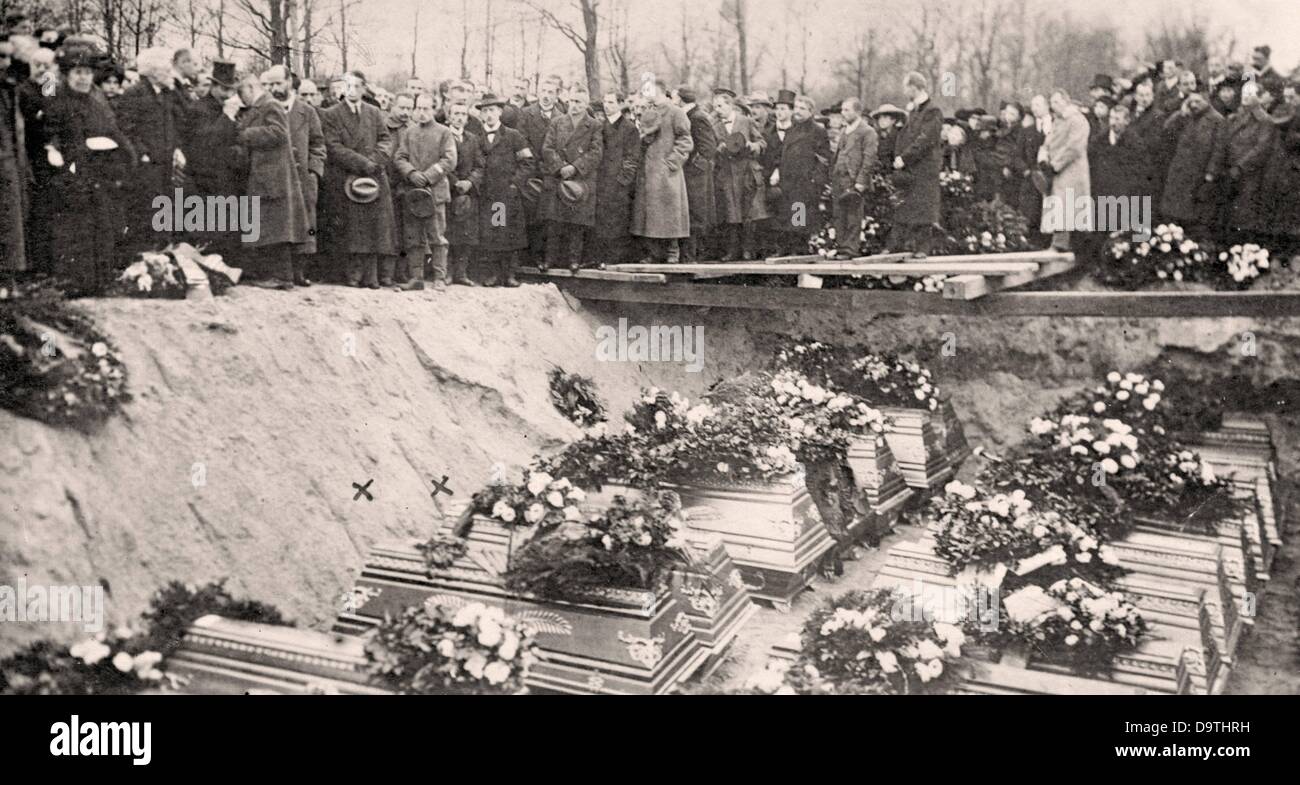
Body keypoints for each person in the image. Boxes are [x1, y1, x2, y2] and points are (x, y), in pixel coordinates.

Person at [41, 44, 134, 294]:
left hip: (100, 172)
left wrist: (128, 155)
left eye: (87, 72)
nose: (83, 77)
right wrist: (56, 153)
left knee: (101, 227)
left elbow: (113, 130)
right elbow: (49, 133)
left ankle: (98, 282)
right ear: (68, 74)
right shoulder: (56, 98)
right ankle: (73, 285)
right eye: (78, 72)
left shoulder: (97, 100)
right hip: (70, 173)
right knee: (74, 231)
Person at [318, 70, 398, 288]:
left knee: (374, 226)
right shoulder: (331, 114)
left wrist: (374, 162)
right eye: (348, 86)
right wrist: (362, 164)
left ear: (364, 88)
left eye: (357, 86)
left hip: (372, 177)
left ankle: (371, 275)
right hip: (347, 176)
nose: (352, 90)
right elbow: (333, 146)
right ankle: (353, 274)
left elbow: (385, 141)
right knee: (352, 227)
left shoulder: (374, 112)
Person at [114, 46, 186, 254]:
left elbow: (171, 126)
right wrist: (142, 153)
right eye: (166, 69)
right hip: (145, 163)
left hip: (163, 161)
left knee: (163, 205)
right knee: (147, 208)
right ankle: (146, 254)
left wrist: (176, 149)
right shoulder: (135, 93)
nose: (170, 73)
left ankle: (162, 252)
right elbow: (126, 127)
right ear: (153, 71)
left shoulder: (164, 94)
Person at [263, 65, 325, 287]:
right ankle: (283, 273)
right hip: (276, 178)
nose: (274, 88)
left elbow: (318, 143)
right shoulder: (265, 109)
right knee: (279, 224)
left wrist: (314, 171)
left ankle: (300, 271)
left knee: (306, 224)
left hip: (302, 177)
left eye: (278, 83)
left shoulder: (307, 112)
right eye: (270, 84)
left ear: (289, 82)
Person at [395, 91, 457, 290]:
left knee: (437, 236)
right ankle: (416, 278)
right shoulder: (409, 133)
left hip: (435, 193)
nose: (421, 112)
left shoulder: (444, 132)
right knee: (414, 237)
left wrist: (428, 176)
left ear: (434, 109)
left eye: (426, 108)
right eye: (418, 108)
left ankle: (439, 277)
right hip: (413, 194)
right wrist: (412, 173)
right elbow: (400, 157)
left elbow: (449, 160)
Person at [538, 85, 602, 271]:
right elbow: (547, 148)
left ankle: (574, 260)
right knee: (554, 223)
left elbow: (596, 153)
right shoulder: (557, 122)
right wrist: (560, 167)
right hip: (559, 178)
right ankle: (549, 260)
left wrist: (575, 167)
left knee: (577, 223)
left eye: (579, 102)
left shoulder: (594, 125)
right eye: (572, 101)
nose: (574, 106)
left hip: (582, 180)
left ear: (586, 104)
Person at [1209, 81, 1279, 242]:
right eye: (1244, 93)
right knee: (1224, 214)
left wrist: (1240, 166)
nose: (1246, 97)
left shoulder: (1265, 121)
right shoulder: (1235, 117)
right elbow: (1224, 142)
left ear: (1260, 97)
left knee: (1243, 215)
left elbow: (1261, 148)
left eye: (1251, 94)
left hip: (1248, 176)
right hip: (1229, 172)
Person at [632, 79, 693, 263]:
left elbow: (685, 140)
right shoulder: (648, 112)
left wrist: (672, 162)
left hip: (668, 172)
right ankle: (652, 252)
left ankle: (672, 251)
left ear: (660, 92)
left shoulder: (676, 113)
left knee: (670, 212)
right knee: (650, 214)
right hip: (648, 172)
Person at [762, 92, 829, 257]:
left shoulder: (817, 131)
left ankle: (798, 249)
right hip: (787, 181)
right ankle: (785, 248)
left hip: (805, 183)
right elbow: (782, 154)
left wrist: (815, 180)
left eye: (802, 108)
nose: (797, 111)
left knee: (799, 216)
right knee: (785, 214)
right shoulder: (791, 129)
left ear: (810, 111)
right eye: (796, 107)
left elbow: (824, 159)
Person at [474, 93, 532, 286]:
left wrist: (514, 184)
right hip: (485, 194)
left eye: (492, 110)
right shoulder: (476, 138)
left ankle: (509, 274)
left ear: (500, 111)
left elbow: (527, 162)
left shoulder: (513, 136)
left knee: (508, 234)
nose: (488, 114)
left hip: (507, 195)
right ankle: (493, 274)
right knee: (490, 234)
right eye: (484, 111)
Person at [889, 71, 943, 258]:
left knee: (924, 209)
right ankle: (910, 246)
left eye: (906, 87)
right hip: (913, 167)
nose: (905, 91)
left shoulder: (932, 110)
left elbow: (925, 139)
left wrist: (905, 158)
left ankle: (923, 248)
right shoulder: (914, 111)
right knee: (913, 207)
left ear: (914, 87)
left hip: (925, 168)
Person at [712, 88, 768, 261]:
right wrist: (719, 149)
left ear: (730, 105)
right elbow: (710, 148)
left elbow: (762, 142)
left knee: (749, 212)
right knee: (731, 212)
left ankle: (748, 249)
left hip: (747, 172)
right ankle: (732, 250)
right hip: (727, 172)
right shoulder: (714, 125)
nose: (717, 110)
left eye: (720, 106)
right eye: (715, 107)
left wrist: (753, 146)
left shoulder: (746, 121)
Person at [1161, 91, 1225, 238]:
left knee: (1194, 219)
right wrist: (1179, 114)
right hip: (1179, 172)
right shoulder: (1186, 116)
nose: (1194, 105)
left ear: (1207, 100)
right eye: (1191, 101)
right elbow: (1167, 130)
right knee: (1172, 216)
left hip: (1198, 175)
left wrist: (1210, 175)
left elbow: (1218, 150)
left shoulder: (1217, 120)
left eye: (1198, 101)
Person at [588, 90, 641, 267]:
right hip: (601, 181)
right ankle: (600, 258)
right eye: (605, 102)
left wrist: (623, 180)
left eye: (611, 102)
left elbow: (632, 157)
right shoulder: (599, 126)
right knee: (601, 220)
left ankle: (616, 259)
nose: (607, 105)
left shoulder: (629, 128)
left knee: (618, 220)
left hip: (618, 183)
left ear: (619, 104)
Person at [1039, 90, 1091, 252]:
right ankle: (1059, 243)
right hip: (1058, 171)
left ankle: (1067, 245)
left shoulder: (1077, 120)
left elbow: (1074, 147)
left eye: (1057, 102)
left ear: (1066, 101)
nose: (1054, 106)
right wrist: (1043, 158)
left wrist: (1055, 165)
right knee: (1059, 205)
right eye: (1052, 103)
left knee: (1071, 206)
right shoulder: (1057, 121)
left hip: (1072, 170)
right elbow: (1047, 142)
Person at [829, 97, 877, 260]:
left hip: (853, 179)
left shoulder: (867, 131)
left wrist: (861, 181)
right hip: (839, 178)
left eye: (847, 110)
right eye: (842, 110)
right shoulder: (844, 131)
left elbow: (869, 158)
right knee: (839, 214)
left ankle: (851, 249)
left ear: (857, 112)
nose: (843, 113)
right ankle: (842, 247)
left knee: (853, 215)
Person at [673, 85, 716, 261]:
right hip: (689, 173)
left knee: (695, 214)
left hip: (695, 175)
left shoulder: (697, 117)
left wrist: (694, 168)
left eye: (675, 97)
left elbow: (708, 147)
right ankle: (688, 254)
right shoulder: (687, 115)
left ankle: (691, 255)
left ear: (681, 99)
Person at [444, 101, 485, 285]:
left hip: (469, 193)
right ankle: (448, 272)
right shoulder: (443, 136)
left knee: (467, 235)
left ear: (467, 118)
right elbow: (440, 161)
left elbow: (479, 165)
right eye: (456, 113)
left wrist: (470, 182)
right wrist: (455, 182)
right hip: (448, 191)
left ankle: (461, 273)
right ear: (449, 116)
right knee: (449, 233)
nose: (459, 117)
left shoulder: (473, 139)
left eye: (463, 114)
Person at [870, 103, 906, 171]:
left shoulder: (899, 136)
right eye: (880, 118)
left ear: (893, 120)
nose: (881, 120)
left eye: (885, 117)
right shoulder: (875, 135)